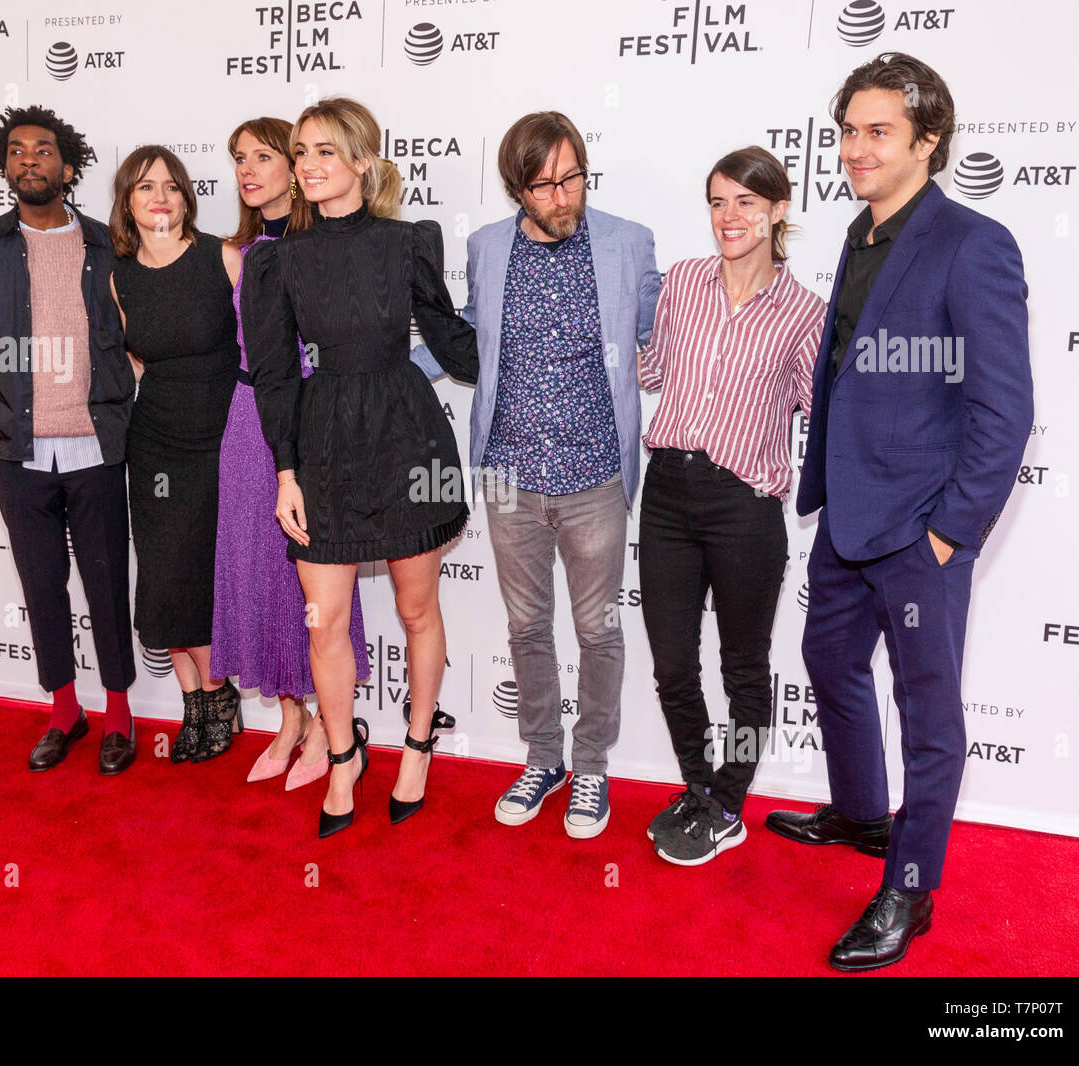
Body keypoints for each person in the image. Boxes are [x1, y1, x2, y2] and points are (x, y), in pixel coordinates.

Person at [764, 53, 1032, 971]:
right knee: (829, 659)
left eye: (878, 131)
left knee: (928, 714)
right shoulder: (858, 235)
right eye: (847, 131)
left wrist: (951, 531)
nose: (854, 149)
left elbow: (1005, 410)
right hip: (849, 513)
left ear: (929, 141)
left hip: (922, 527)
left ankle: (910, 888)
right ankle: (861, 813)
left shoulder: (972, 243)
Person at [243, 97, 478, 837]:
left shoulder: (410, 241)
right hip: (322, 443)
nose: (309, 166)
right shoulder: (276, 259)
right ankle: (343, 755)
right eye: (302, 152)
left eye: (326, 152)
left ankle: (417, 745)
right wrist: (285, 471)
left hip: (406, 434)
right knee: (326, 623)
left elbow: (450, 336)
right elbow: (276, 375)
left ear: (363, 162)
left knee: (416, 610)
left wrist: (530, 360)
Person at [425, 111, 659, 839]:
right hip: (506, 475)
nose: (562, 197)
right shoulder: (488, 247)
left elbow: (663, 330)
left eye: (572, 178)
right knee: (527, 627)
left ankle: (591, 766)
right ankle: (544, 756)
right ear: (517, 189)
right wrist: (374, 364)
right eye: (543, 185)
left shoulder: (627, 242)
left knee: (598, 630)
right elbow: (467, 336)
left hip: (594, 474)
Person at [637, 147, 825, 865]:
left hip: (745, 506)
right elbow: (651, 369)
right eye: (718, 202)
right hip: (667, 495)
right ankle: (697, 785)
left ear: (777, 211)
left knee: (744, 665)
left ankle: (729, 800)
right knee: (672, 663)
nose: (729, 217)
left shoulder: (805, 313)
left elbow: (821, 410)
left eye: (747, 202)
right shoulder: (681, 282)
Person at [0, 105, 137, 773]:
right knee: (41, 582)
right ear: (5, 165)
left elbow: (137, 330)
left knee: (107, 581)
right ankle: (65, 710)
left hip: (96, 442)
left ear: (69, 165)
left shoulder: (107, 244)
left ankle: (118, 713)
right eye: (18, 150)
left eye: (44, 150)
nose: (30, 158)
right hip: (16, 449)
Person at [211, 117, 370, 788]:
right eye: (239, 158)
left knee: (314, 577)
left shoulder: (324, 243)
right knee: (259, 566)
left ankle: (338, 731)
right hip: (248, 419)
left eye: (265, 156)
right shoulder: (233, 252)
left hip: (318, 418)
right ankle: (289, 716)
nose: (249, 170)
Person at [109, 146, 243, 762]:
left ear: (186, 198)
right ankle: (197, 703)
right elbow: (137, 360)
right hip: (154, 439)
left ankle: (217, 696)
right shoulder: (120, 277)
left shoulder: (223, 258)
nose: (159, 197)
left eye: (170, 186)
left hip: (217, 437)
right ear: (128, 203)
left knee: (198, 571)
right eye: (144, 188)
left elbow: (255, 350)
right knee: (161, 572)